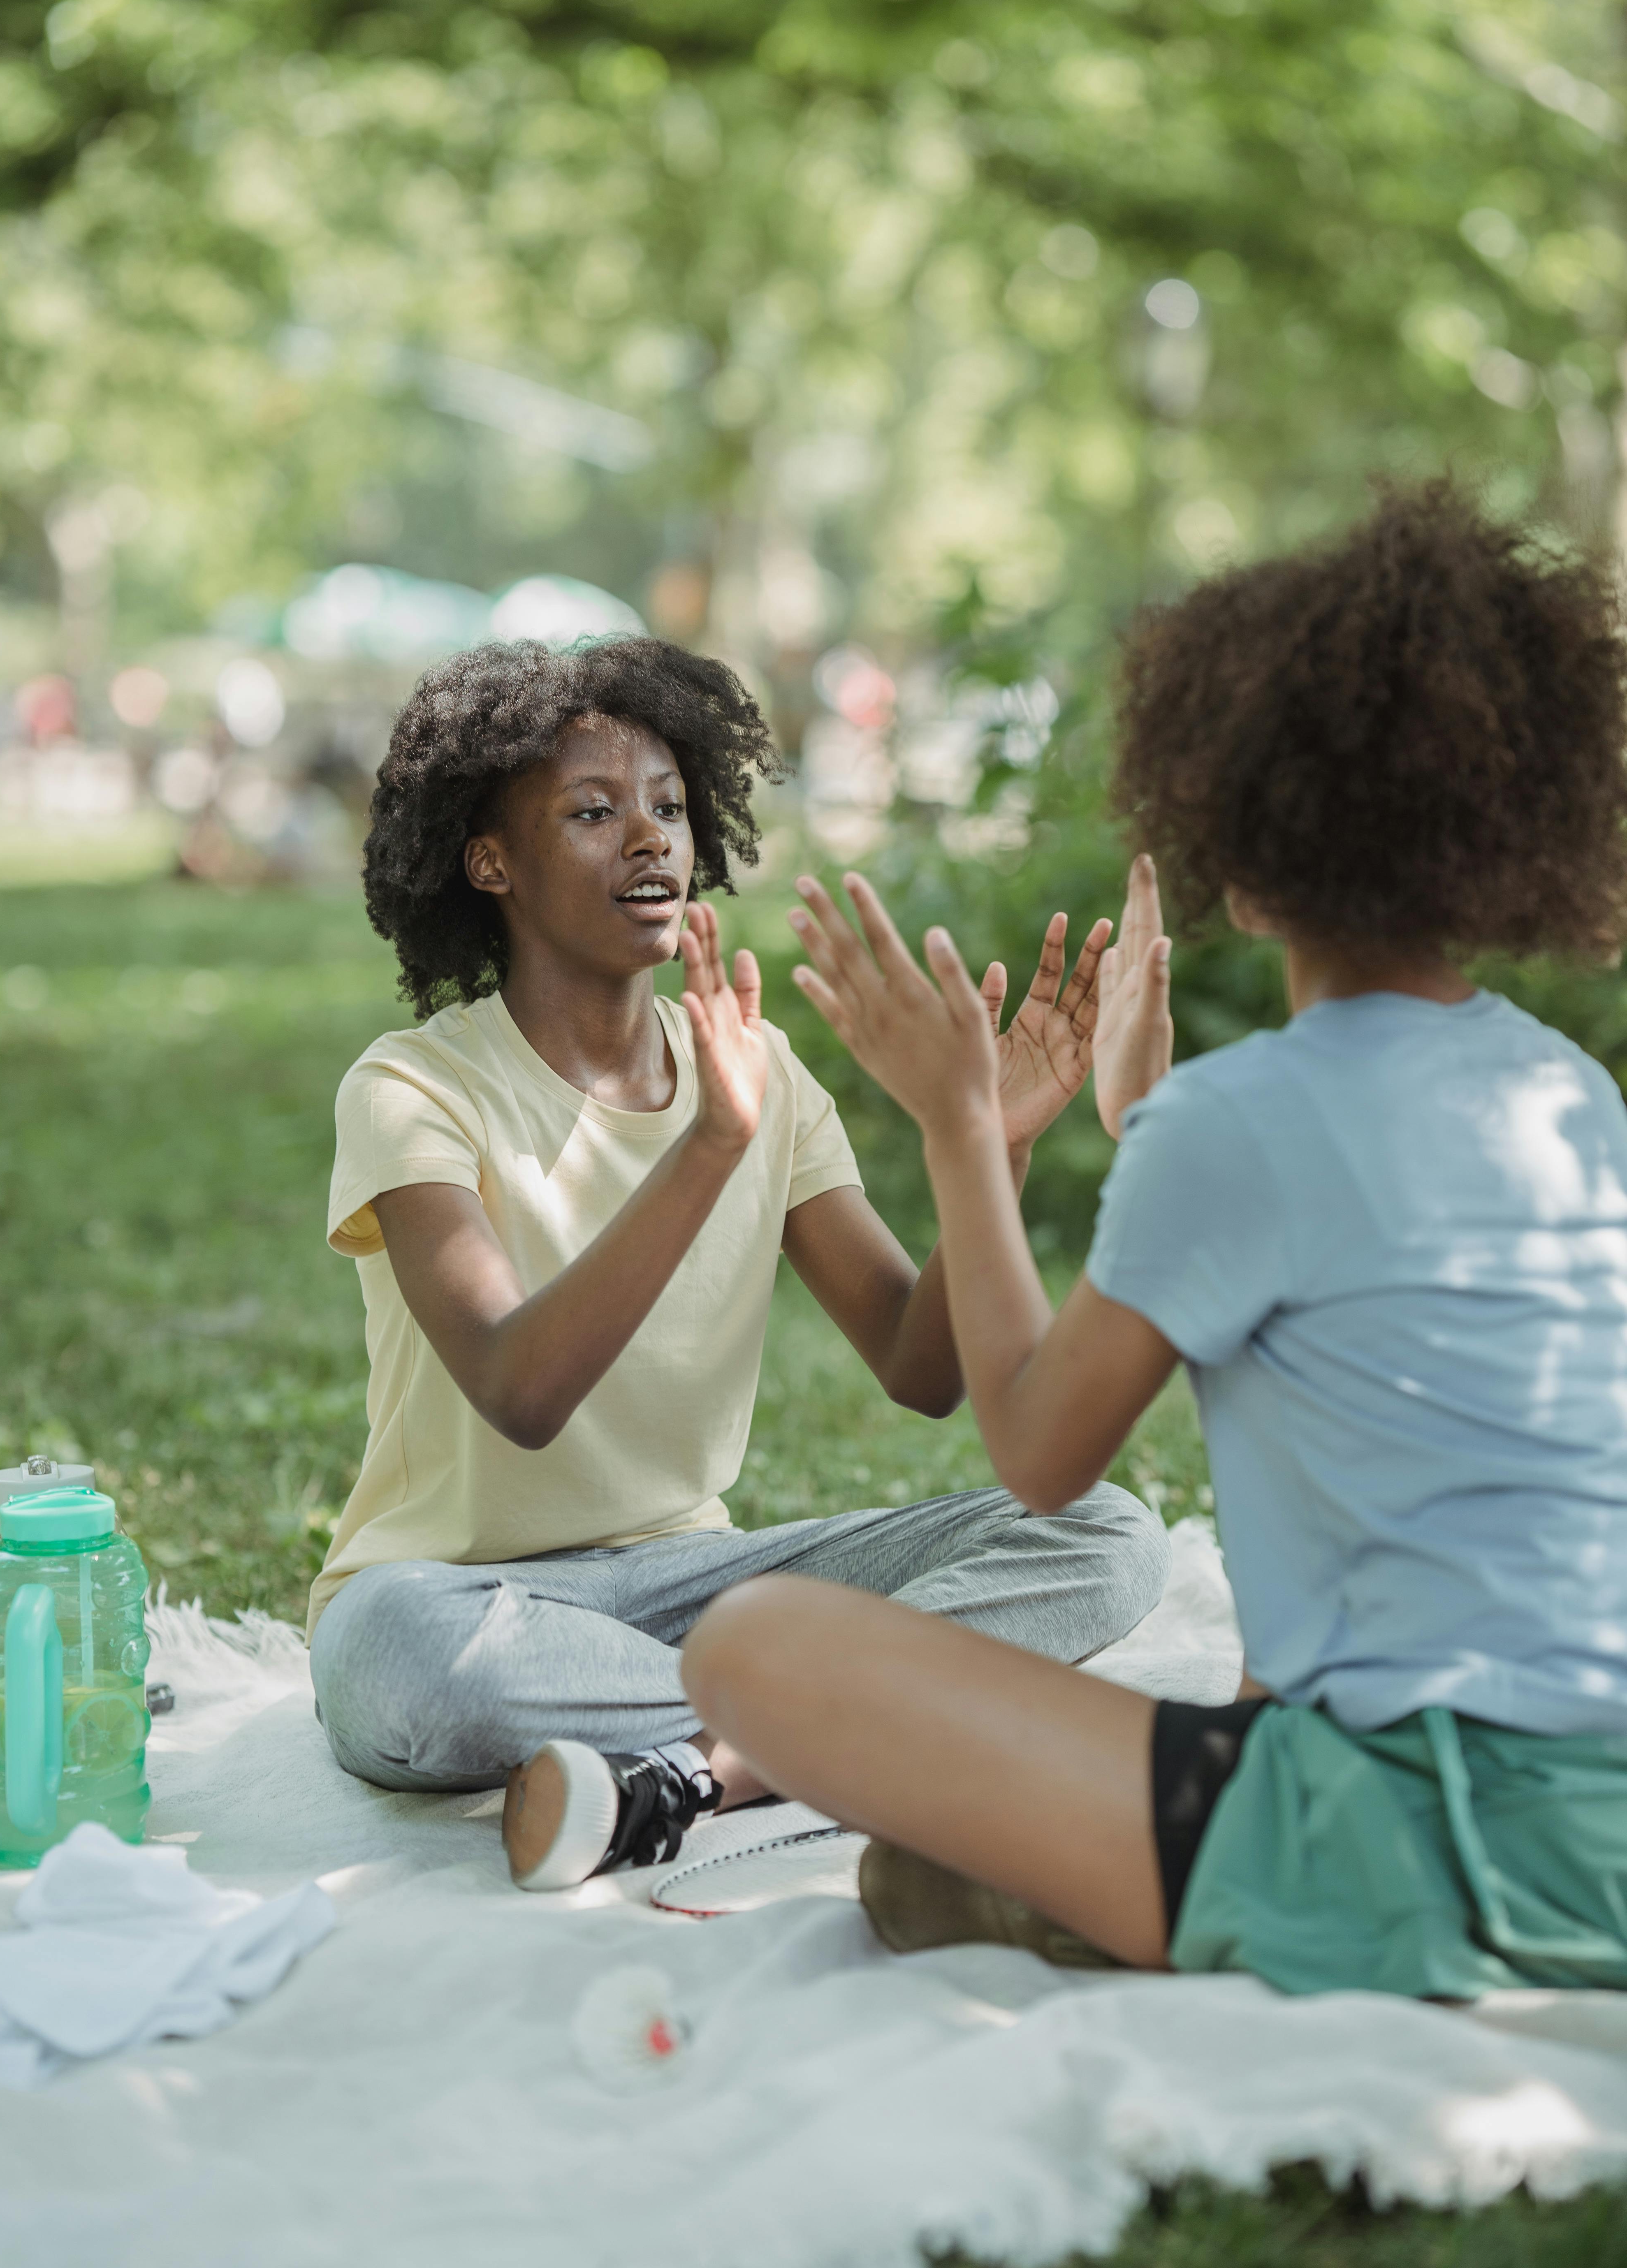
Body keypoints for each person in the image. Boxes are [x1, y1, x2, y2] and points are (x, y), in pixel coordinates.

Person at [681, 483, 1627, 1999]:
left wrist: (957, 1122)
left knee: (754, 1648)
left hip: (1424, 1839)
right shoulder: (1559, 1090)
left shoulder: (1243, 1124)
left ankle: (1180, 1893)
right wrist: (1148, 1125)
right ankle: (1115, 1876)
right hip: (1606, 1819)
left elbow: (1042, 1454)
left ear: (1238, 839)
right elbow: (1343, 1270)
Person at [308, 633, 1168, 1890]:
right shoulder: (410, 1090)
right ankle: (823, 1724)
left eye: (668, 806)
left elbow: (920, 1368)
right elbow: (519, 1386)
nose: (651, 840)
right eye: (593, 813)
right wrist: (713, 1140)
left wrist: (983, 1138)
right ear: (489, 861)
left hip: (696, 1581)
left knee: (1108, 1533)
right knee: (397, 1669)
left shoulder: (767, 1079)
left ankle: (714, 1765)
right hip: (455, 1598)